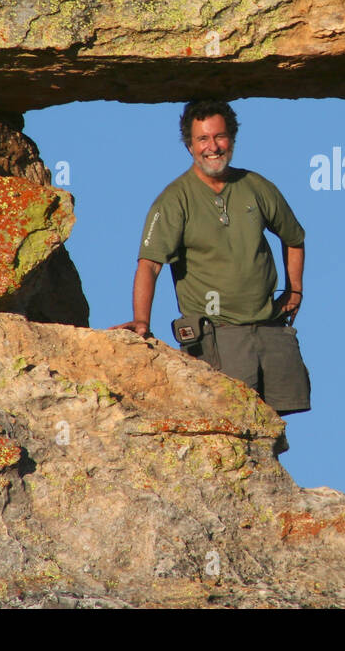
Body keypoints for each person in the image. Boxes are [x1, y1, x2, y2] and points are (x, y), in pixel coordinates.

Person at [113, 100, 311, 416]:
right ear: (189, 145)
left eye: (219, 136)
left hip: (270, 331)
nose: (213, 147)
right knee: (227, 427)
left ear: (232, 138)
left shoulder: (256, 186)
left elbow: (294, 237)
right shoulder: (175, 199)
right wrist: (142, 322)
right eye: (202, 139)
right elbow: (149, 264)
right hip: (216, 338)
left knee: (273, 435)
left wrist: (295, 289)